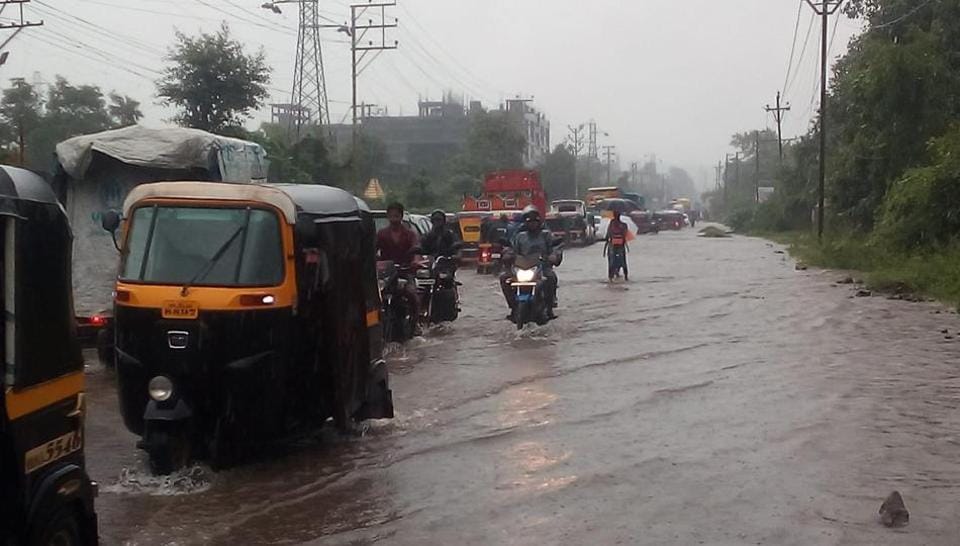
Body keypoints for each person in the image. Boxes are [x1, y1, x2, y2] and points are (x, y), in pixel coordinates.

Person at [500, 206, 560, 319]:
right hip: (522, 267)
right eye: (529, 221)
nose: (532, 224)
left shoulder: (546, 235)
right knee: (504, 278)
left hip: (541, 267)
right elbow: (512, 248)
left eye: (534, 221)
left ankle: (549, 306)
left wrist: (554, 256)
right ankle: (513, 307)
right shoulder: (519, 236)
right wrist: (508, 254)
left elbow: (555, 248)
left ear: (538, 222)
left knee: (551, 277)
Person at [376, 202, 421, 332]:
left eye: (396, 216)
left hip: (405, 271)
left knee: (412, 295)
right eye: (391, 216)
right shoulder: (381, 234)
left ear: (401, 216)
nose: (394, 219)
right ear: (387, 217)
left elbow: (416, 250)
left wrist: (415, 261)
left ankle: (415, 323)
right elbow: (373, 250)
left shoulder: (410, 234)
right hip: (386, 274)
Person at [604, 209, 632, 281]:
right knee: (623, 261)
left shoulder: (611, 224)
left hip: (613, 245)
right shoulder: (623, 225)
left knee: (612, 261)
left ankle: (611, 277)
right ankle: (625, 276)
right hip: (621, 244)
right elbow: (625, 234)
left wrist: (607, 239)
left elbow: (608, 234)